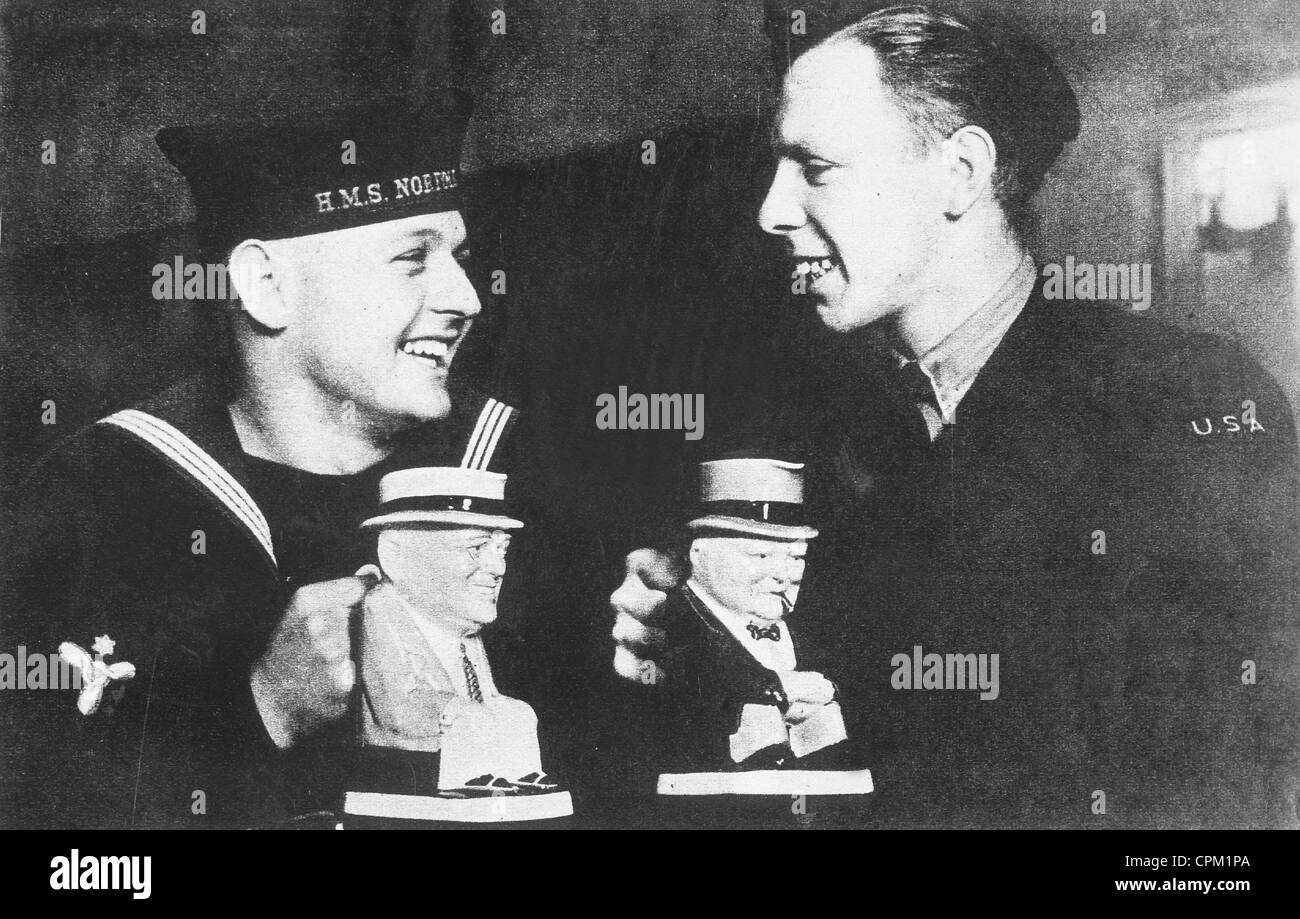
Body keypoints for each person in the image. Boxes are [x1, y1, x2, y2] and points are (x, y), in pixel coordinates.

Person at [611, 5, 1300, 827]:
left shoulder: (1188, 400)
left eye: (815, 167)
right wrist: (682, 641)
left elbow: (1220, 800)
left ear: (962, 173)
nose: (771, 210)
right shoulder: (794, 425)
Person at [0, 98, 526, 828]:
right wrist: (262, 708)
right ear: (267, 287)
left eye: (459, 258)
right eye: (413, 257)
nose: (466, 298)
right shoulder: (98, 498)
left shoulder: (527, 473)